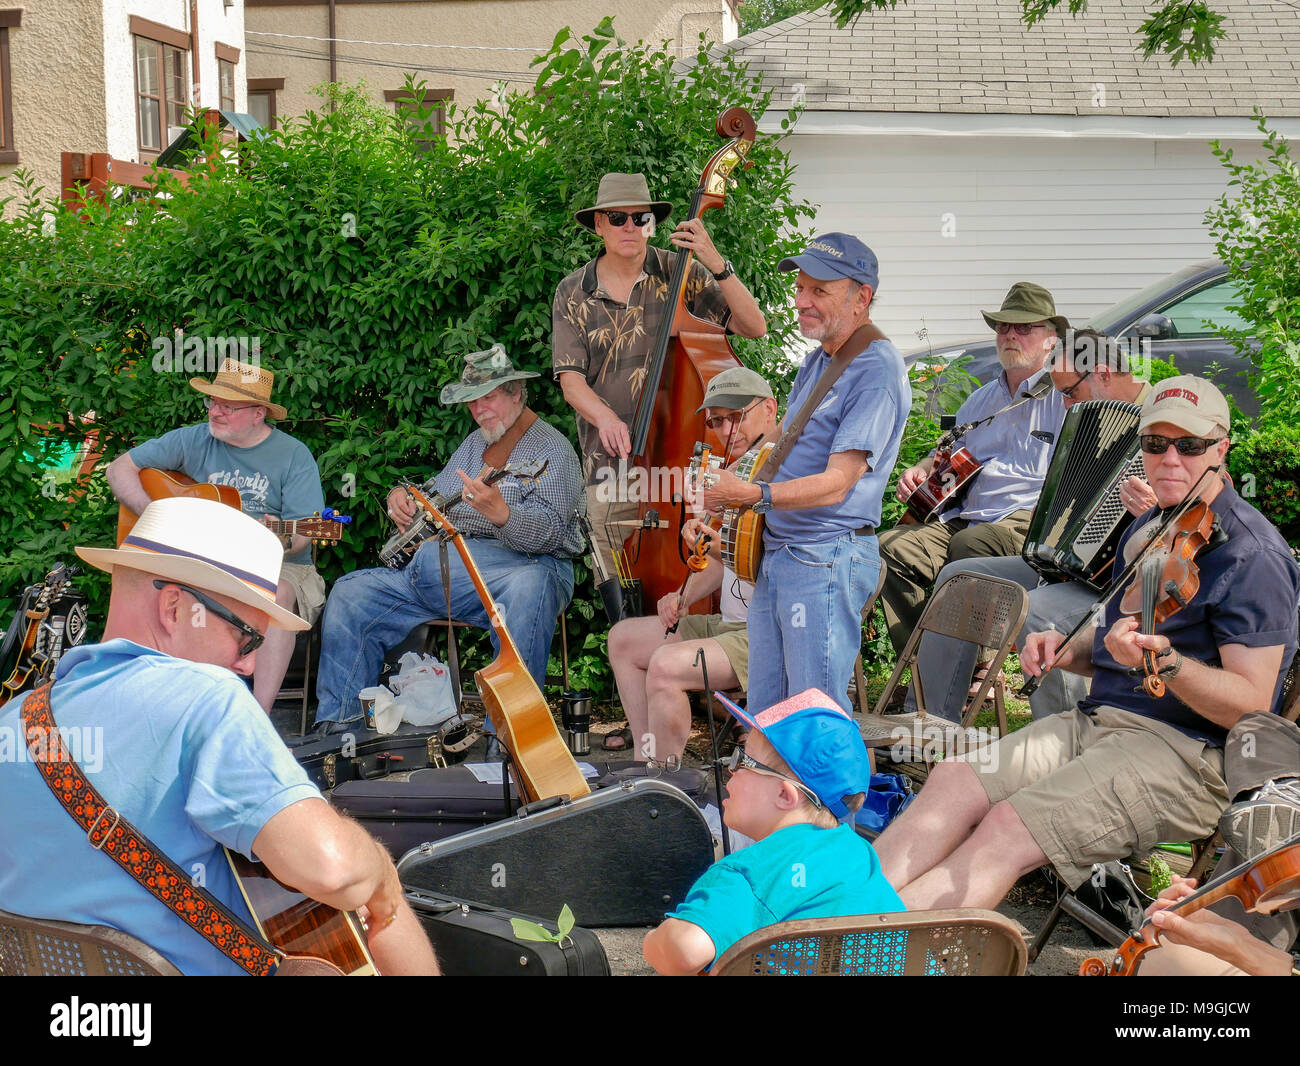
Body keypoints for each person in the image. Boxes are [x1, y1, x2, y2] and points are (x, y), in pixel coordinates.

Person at [873, 376, 1300, 912]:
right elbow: (1114, 646)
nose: (1170, 460)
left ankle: (872, 948)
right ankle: (837, 917)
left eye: (1189, 446)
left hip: (1187, 753)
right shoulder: (1150, 525)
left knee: (1007, 828)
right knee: (955, 778)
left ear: (1221, 449)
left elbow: (1254, 706)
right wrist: (1066, 649)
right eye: (1154, 444)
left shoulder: (1252, 555)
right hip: (1100, 721)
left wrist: (1166, 664)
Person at [0, 497, 437, 976]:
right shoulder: (204, 696)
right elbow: (334, 871)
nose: (248, 663)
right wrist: (379, 868)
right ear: (174, 607)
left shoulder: (16, 717)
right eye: (248, 635)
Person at [312, 345, 584, 731]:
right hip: (436, 573)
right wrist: (403, 499)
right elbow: (433, 495)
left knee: (531, 588)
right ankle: (341, 728)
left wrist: (505, 516)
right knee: (351, 593)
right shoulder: (475, 444)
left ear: (516, 392)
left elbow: (553, 533)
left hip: (523, 571)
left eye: (488, 397)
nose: (479, 410)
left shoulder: (553, 449)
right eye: (472, 402)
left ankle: (508, 741)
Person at [904, 328, 1158, 722]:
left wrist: (1157, 508)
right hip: (1076, 570)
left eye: (1070, 392)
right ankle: (928, 721)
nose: (1064, 403)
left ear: (1104, 374)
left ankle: (1060, 740)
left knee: (1039, 610)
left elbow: (1212, 495)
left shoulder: (1166, 414)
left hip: (1135, 582)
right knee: (960, 577)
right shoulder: (1092, 419)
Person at [702, 233, 909, 713]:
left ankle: (831, 793)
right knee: (769, 707)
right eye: (800, 288)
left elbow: (840, 482)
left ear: (862, 298)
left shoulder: (876, 367)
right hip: (782, 551)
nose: (801, 301)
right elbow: (781, 439)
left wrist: (751, 494)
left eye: (819, 290)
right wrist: (720, 498)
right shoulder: (819, 360)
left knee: (813, 709)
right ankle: (774, 787)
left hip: (824, 554)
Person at [552, 172, 767, 604]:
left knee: (686, 589)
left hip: (680, 469)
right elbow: (571, 380)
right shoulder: (573, 290)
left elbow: (754, 327)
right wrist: (606, 418)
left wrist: (714, 259)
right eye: (618, 218)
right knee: (621, 591)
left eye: (640, 217)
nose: (630, 227)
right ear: (599, 224)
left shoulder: (680, 270)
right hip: (612, 466)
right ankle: (628, 663)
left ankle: (682, 664)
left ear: (651, 223)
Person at [104, 358, 327, 713]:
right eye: (213, 402)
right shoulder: (194, 438)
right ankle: (139, 699)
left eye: (228, 406)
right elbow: (119, 469)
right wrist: (156, 516)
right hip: (204, 559)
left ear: (258, 413)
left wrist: (278, 538)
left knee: (278, 594)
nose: (216, 412)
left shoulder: (294, 456)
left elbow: (305, 536)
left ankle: (257, 716)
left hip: (278, 566)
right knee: (142, 579)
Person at [640, 689, 904, 975]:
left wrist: (653, 941)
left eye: (744, 761)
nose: (731, 769)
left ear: (784, 795)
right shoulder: (858, 853)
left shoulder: (752, 873)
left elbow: (685, 950)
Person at [878, 282, 1068, 656]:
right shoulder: (981, 399)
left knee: (971, 546)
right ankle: (922, 667)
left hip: (1029, 523)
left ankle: (968, 665)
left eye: (1024, 327)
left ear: (1052, 339)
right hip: (966, 517)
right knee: (889, 549)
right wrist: (919, 470)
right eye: (1003, 327)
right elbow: (947, 455)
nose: (1010, 334)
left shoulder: (1064, 397)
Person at [605, 368, 780, 759]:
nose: (726, 429)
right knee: (624, 639)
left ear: (770, 409)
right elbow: (722, 564)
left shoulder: (782, 471)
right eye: (717, 421)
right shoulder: (737, 473)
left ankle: (666, 785)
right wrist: (683, 595)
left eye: (736, 415)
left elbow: (771, 561)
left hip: (770, 631)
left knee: (666, 664)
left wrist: (716, 543)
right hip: (732, 625)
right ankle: (645, 761)